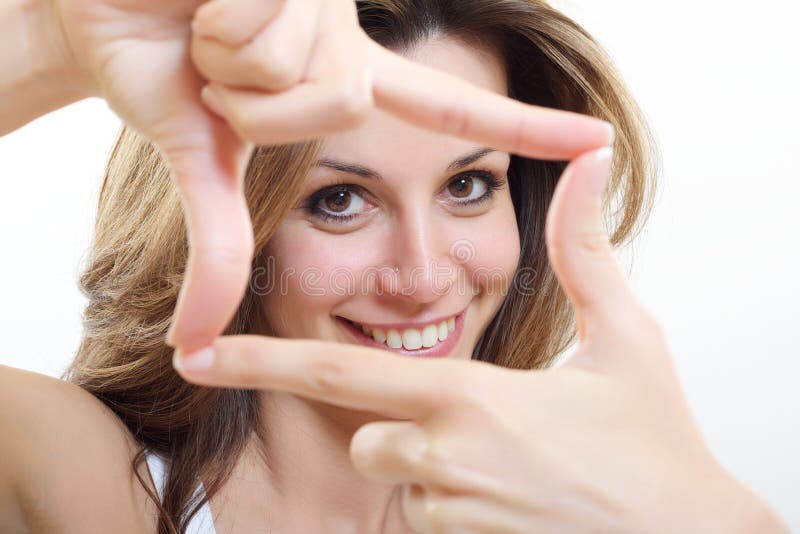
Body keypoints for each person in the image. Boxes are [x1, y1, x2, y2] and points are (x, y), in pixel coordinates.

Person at [0, 0, 789, 533]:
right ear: (235, 223)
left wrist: (715, 518)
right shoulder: (84, 477)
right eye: (340, 200)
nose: (420, 279)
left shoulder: (587, 510)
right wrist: (42, 42)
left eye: (469, 185)